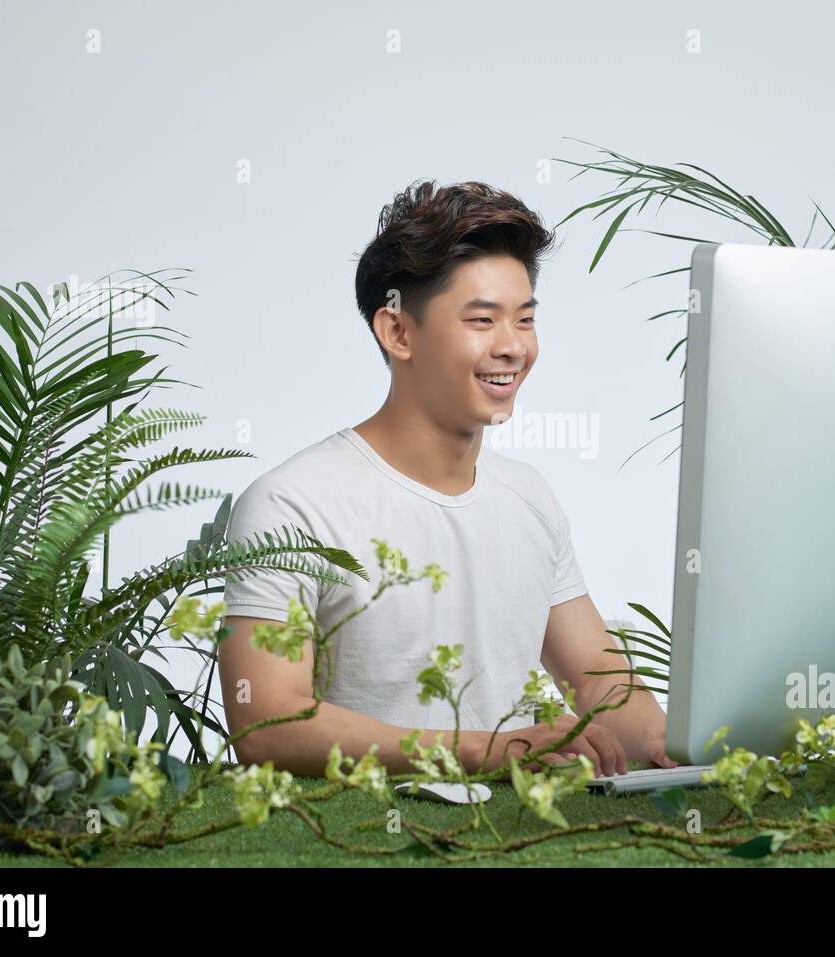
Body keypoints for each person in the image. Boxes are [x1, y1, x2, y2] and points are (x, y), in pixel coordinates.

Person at [218, 179, 678, 779]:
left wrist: (704, 749)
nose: (513, 347)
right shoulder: (290, 506)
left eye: (525, 320)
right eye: (482, 320)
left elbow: (603, 691)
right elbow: (266, 721)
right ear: (399, 332)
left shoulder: (529, 495)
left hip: (522, 833)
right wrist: (481, 749)